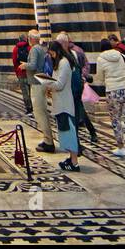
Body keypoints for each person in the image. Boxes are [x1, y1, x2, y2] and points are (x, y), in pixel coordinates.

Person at [97, 38, 125, 161]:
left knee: (116, 120)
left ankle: (121, 147)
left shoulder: (100, 59)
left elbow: (99, 77)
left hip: (113, 91)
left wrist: (107, 81)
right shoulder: (120, 55)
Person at [42, 41, 80, 172]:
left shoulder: (64, 63)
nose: (51, 56)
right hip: (59, 102)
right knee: (64, 131)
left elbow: (59, 84)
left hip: (65, 103)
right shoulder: (59, 63)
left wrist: (46, 83)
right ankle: (71, 158)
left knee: (69, 132)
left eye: (52, 53)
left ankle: (74, 162)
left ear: (57, 51)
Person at [58, 31, 98, 143]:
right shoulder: (72, 51)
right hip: (73, 86)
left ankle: (79, 140)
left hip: (74, 87)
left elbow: (84, 65)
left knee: (76, 112)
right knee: (78, 111)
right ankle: (89, 133)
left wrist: (82, 76)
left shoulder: (75, 51)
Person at [26, 30, 56, 152]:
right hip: (42, 81)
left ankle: (48, 141)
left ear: (31, 39)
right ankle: (47, 139)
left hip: (37, 82)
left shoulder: (34, 49)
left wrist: (24, 65)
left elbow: (33, 66)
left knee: (39, 112)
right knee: (42, 111)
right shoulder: (42, 48)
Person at [12, 32, 33, 116]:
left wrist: (17, 72)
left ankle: (29, 109)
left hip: (21, 73)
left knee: (24, 92)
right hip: (29, 72)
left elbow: (14, 62)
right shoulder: (29, 48)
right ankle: (33, 106)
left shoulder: (15, 49)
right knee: (31, 90)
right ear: (26, 39)